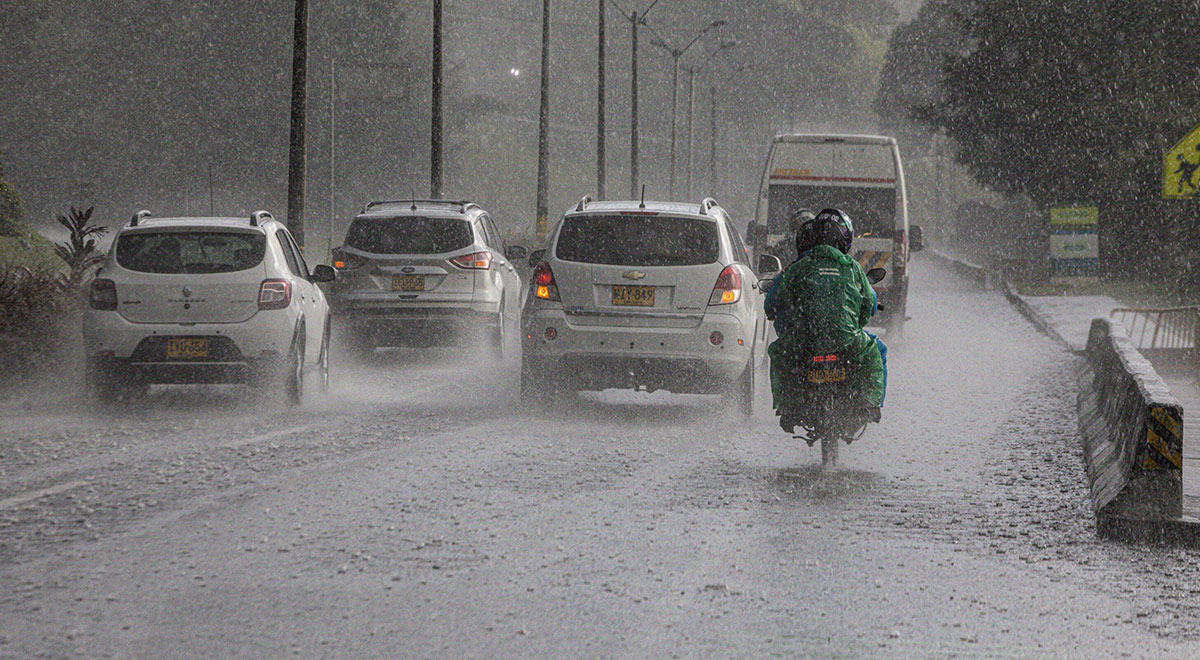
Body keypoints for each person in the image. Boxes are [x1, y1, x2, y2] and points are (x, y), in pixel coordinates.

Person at [763, 208, 886, 432]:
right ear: (845, 239)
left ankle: (787, 407)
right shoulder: (853, 268)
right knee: (875, 352)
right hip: (846, 341)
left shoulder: (798, 267)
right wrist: (854, 324)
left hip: (804, 341)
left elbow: (772, 302)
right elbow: (869, 305)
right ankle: (871, 404)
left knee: (778, 353)